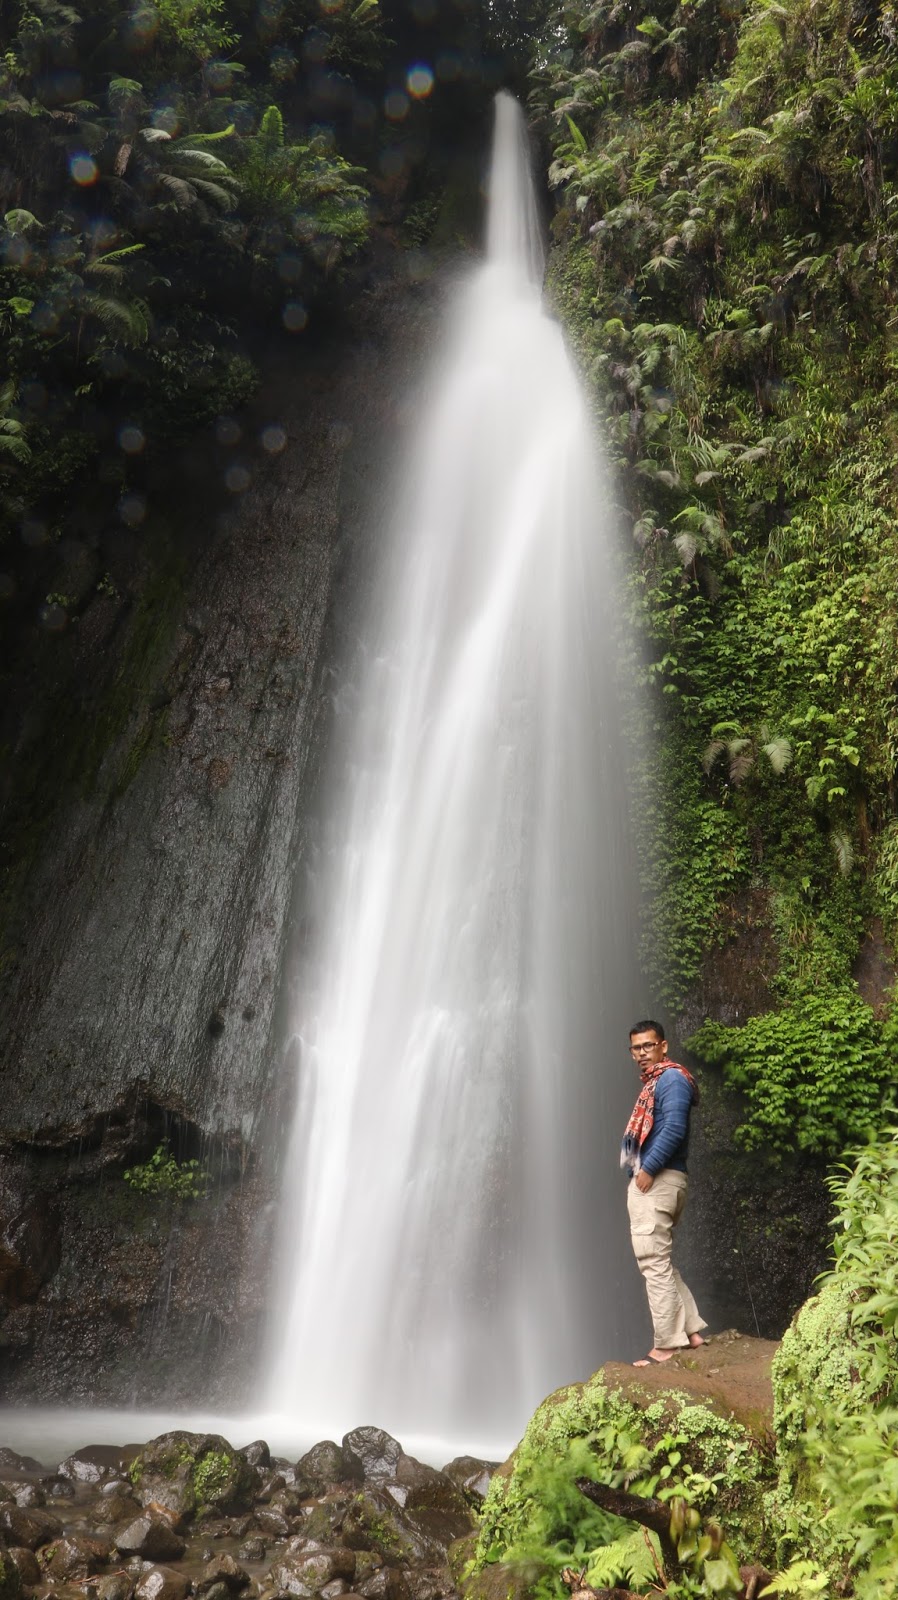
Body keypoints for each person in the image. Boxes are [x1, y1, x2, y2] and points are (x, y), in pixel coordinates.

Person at [621, 1019, 708, 1366]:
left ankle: (666, 1346)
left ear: (663, 1046)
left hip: (658, 1180)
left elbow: (673, 1127)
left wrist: (647, 1170)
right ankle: (691, 1331)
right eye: (635, 1048)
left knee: (652, 1261)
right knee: (661, 1260)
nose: (642, 1053)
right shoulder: (659, 1081)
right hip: (664, 1180)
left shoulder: (670, 1079)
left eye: (648, 1046)